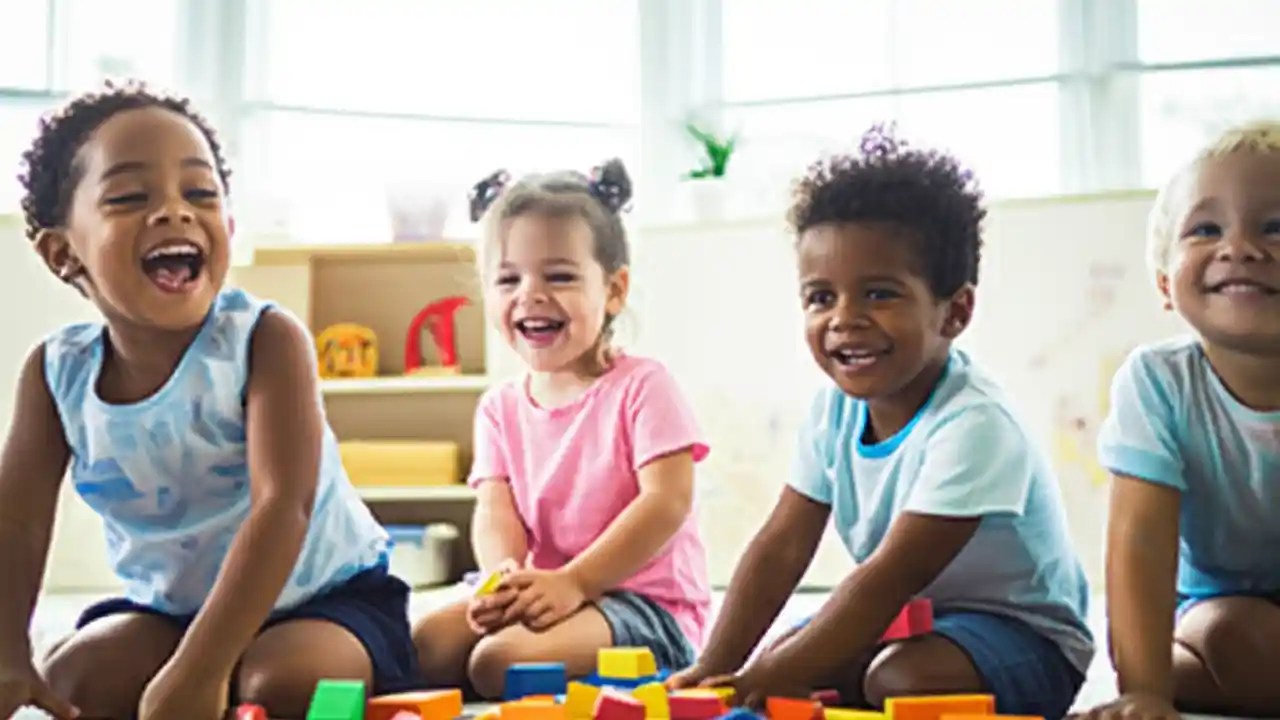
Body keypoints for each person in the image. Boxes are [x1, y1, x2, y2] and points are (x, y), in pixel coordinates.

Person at [0, 80, 420, 720]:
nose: (175, 212)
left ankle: (231, 672)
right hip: (170, 609)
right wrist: (7, 651)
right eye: (130, 197)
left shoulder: (264, 340)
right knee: (75, 680)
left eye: (200, 193)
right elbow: (17, 523)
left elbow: (283, 508)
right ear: (63, 253)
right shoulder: (56, 372)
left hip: (326, 597)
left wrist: (199, 673)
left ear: (228, 224)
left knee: (279, 685)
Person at [667, 125, 1094, 720]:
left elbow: (892, 575)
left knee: (895, 679)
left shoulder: (975, 423)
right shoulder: (831, 411)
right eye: (820, 297)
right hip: (913, 620)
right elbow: (782, 545)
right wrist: (718, 666)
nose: (845, 319)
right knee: (792, 658)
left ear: (955, 312)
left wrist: (752, 685)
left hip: (1025, 636)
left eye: (879, 294)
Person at [412, 159, 710, 700]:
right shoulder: (499, 407)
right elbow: (495, 510)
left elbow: (666, 503)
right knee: (426, 645)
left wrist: (577, 581)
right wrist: (502, 577)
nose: (530, 294)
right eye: (508, 279)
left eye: (560, 276)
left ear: (614, 291)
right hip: (547, 590)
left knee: (499, 663)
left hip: (642, 604)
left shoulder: (644, 386)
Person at [1073, 121, 1280, 720]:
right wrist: (1143, 691)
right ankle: (1174, 665)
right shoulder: (1158, 382)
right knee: (1238, 637)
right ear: (1165, 282)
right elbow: (1138, 542)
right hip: (1219, 606)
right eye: (1206, 229)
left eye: (1275, 227)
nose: (1239, 248)